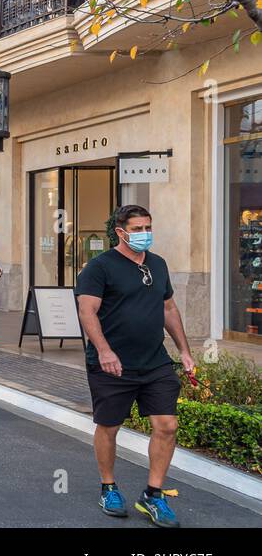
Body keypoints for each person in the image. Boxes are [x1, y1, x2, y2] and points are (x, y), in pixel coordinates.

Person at [76, 205, 195, 528]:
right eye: (138, 228)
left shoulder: (158, 264)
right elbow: (87, 312)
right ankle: (109, 487)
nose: (145, 234)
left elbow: (168, 308)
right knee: (109, 426)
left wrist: (184, 351)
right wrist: (104, 351)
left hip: (155, 361)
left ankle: (153, 495)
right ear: (121, 232)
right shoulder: (99, 268)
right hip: (113, 364)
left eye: (148, 227)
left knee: (167, 425)